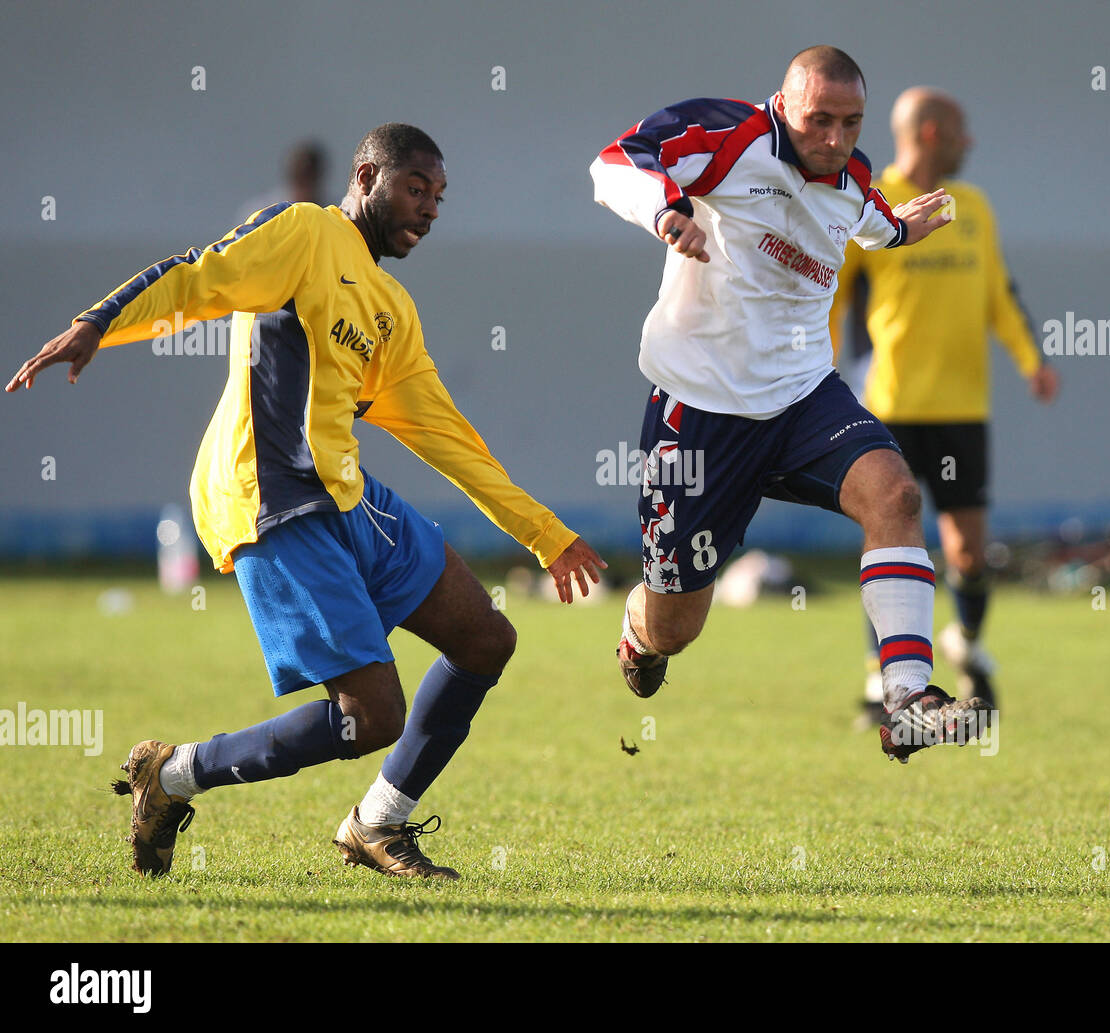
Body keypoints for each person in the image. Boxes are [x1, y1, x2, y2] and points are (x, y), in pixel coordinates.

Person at [6, 123, 606, 879]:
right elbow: (200, 276)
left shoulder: (389, 304)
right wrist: (100, 321)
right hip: (273, 495)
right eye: (415, 188)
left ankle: (377, 825)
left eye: (440, 197)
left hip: (347, 495)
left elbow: (447, 436)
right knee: (371, 716)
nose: (429, 209)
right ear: (366, 176)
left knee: (486, 638)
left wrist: (546, 535)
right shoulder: (303, 233)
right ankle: (172, 775)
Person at [590, 46, 990, 764]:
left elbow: (865, 218)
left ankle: (905, 697)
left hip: (805, 396)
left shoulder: (851, 175)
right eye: (818, 121)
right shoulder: (725, 136)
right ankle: (640, 629)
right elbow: (614, 162)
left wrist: (900, 229)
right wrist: (666, 212)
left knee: (895, 494)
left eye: (850, 122)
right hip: (702, 409)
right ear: (783, 104)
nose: (834, 139)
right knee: (677, 625)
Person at [828, 87, 1058, 725]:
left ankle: (970, 644)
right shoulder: (872, 201)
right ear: (930, 133)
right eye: (961, 131)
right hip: (890, 405)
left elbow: (999, 296)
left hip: (963, 409)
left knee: (968, 554)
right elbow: (833, 294)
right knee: (889, 540)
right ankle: (885, 681)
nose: (971, 142)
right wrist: (816, 374)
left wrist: (1031, 360)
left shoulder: (976, 207)